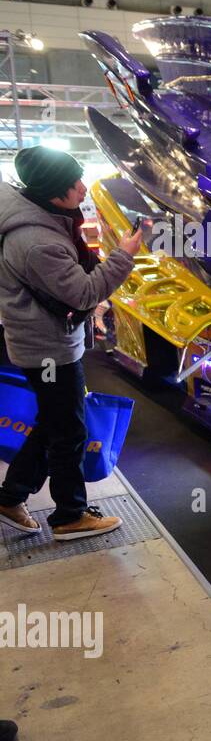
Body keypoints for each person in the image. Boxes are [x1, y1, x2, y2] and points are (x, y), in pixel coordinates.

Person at [0, 146, 139, 540]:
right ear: (51, 191)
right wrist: (123, 256)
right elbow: (84, 294)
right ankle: (69, 516)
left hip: (43, 344)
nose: (82, 188)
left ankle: (10, 497)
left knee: (53, 424)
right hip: (49, 352)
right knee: (69, 434)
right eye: (73, 183)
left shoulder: (35, 214)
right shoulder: (37, 241)